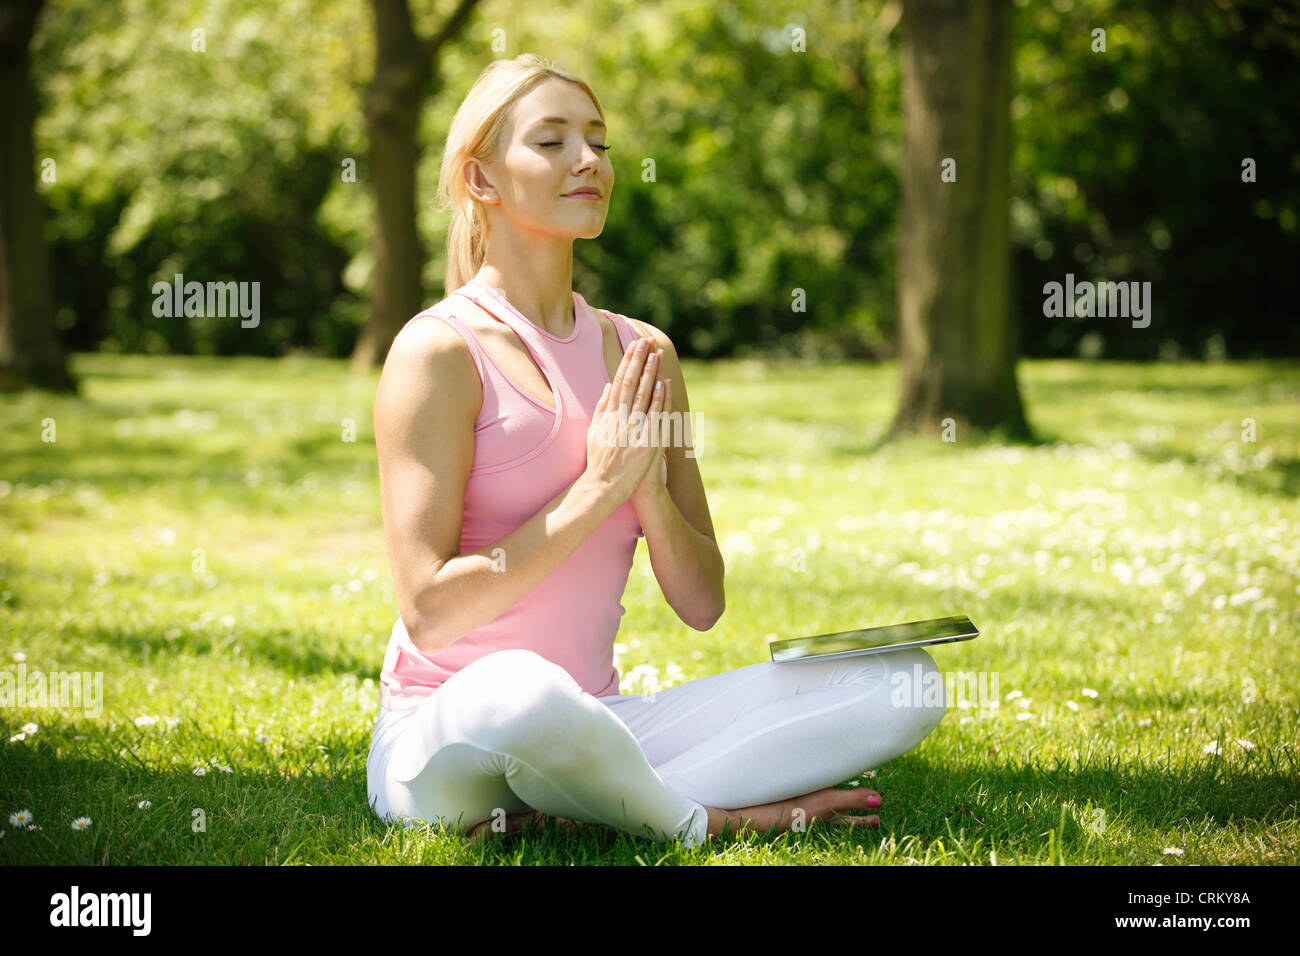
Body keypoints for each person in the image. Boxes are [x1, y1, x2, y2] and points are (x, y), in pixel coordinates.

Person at [366, 53, 947, 848]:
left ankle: (586, 798)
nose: (589, 162)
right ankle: (703, 819)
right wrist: (596, 490)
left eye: (599, 143)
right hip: (449, 735)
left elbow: (702, 603)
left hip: (598, 720)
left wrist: (645, 494)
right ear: (481, 180)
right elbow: (429, 614)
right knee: (523, 693)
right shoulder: (437, 352)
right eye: (552, 142)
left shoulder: (644, 354)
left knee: (903, 682)